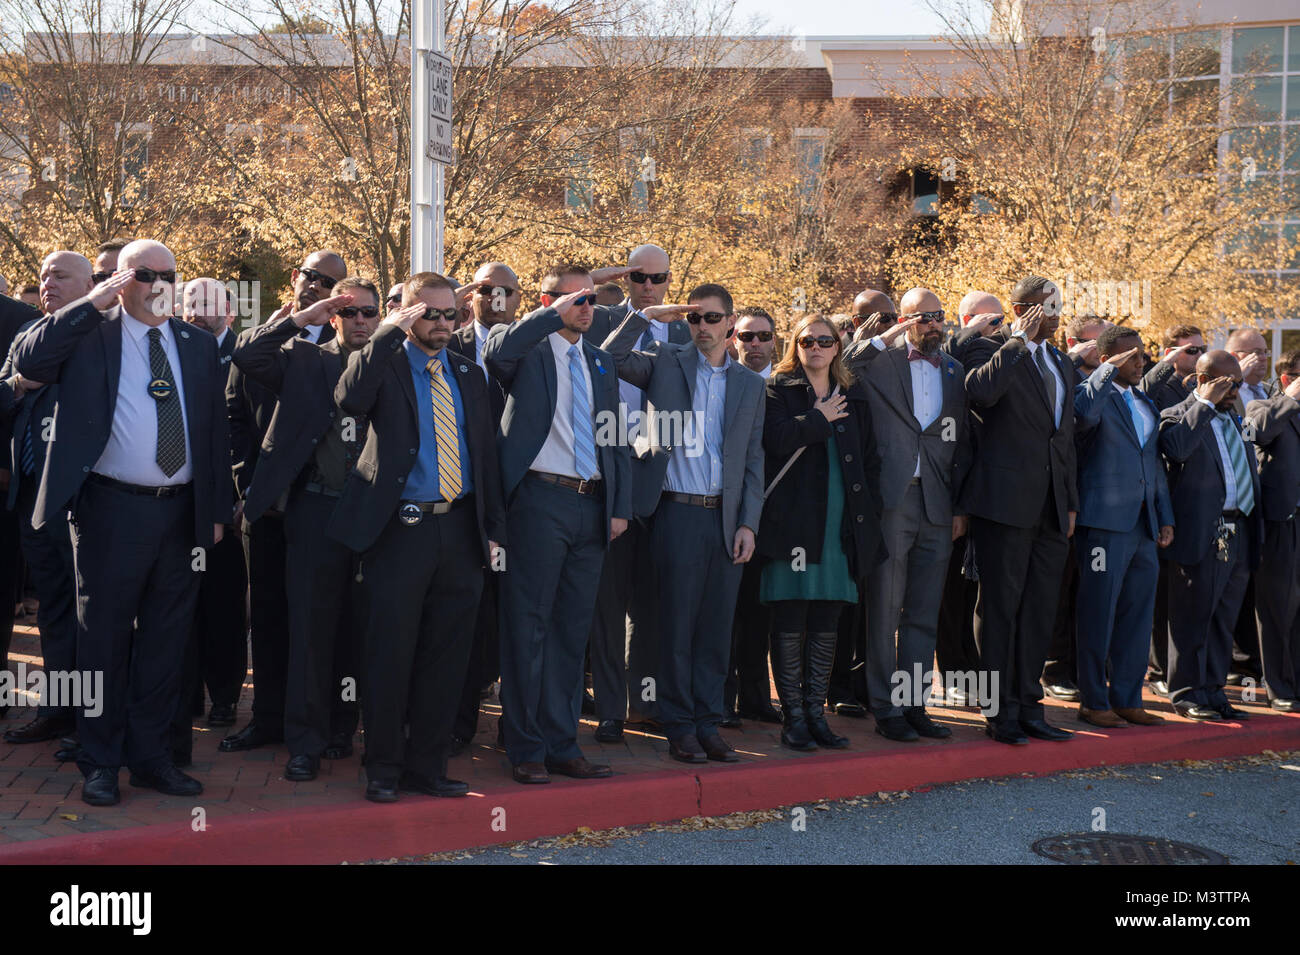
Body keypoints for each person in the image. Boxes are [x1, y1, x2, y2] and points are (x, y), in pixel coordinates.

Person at [15, 239, 230, 806]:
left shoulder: (196, 344)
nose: (158, 285)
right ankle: (100, 761)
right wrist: (91, 302)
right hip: (111, 509)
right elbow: (30, 362)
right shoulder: (90, 336)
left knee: (166, 643)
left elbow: (213, 434)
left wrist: (213, 513)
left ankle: (152, 757)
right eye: (144, 274)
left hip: (181, 513)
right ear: (120, 280)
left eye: (169, 275)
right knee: (103, 642)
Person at [331, 272, 505, 801]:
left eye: (450, 314)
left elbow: (486, 456)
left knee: (446, 656)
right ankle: (383, 767)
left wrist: (494, 529)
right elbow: (349, 399)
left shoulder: (469, 374)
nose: (441, 323)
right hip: (399, 531)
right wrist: (386, 332)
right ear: (405, 314)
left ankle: (426, 767)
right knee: (390, 653)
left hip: (459, 527)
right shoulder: (382, 365)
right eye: (428, 313)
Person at [602, 283, 765, 764]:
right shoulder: (665, 359)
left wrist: (749, 524)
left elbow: (754, 460)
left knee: (716, 630)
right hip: (674, 512)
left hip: (726, 519)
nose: (702, 327)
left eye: (712, 319)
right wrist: (643, 316)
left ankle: (708, 722)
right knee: (674, 625)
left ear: (731, 325)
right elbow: (605, 360)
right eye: (694, 319)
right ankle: (678, 725)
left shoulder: (750, 384)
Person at [484, 264, 631, 783]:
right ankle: (524, 747)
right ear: (546, 302)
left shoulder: (599, 360)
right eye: (575, 300)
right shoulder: (524, 348)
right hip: (538, 502)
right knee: (529, 629)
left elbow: (614, 435)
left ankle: (562, 743)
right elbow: (495, 355)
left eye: (592, 300)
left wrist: (619, 506)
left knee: (572, 633)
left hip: (592, 506)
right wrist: (549, 317)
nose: (586, 308)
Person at [233, 277, 383, 780]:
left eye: (369, 311)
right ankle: (305, 741)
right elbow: (248, 356)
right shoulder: (305, 358)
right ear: (334, 317)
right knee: (310, 631)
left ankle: (344, 725)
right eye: (350, 312)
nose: (361, 320)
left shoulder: (393, 362)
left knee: (360, 628)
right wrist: (302, 316)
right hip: (315, 510)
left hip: (373, 514)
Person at [222, 250, 346, 754]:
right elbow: (233, 418)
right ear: (295, 279)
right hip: (268, 504)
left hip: (325, 505)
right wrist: (245, 486)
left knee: (325, 619)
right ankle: (268, 718)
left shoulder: (346, 346)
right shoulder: (260, 340)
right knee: (269, 613)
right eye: (311, 277)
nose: (317, 287)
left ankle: (332, 722)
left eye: (330, 283)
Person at [844, 290, 971, 742]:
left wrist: (959, 507)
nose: (935, 325)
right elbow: (845, 366)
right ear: (904, 320)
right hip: (891, 500)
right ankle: (885, 707)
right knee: (884, 607)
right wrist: (883, 338)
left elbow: (963, 445)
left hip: (938, 504)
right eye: (925, 318)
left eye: (939, 317)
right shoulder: (879, 361)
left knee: (922, 611)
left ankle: (914, 703)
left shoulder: (954, 369)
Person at [961, 276, 1078, 745]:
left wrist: (1069, 503)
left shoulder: (1061, 362)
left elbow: (1064, 439)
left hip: (1052, 507)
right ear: (1023, 309)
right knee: (1001, 609)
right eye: (1047, 308)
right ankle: (998, 710)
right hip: (1004, 504)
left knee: (1038, 610)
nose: (1055, 315)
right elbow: (980, 394)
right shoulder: (986, 349)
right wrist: (1016, 341)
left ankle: (1029, 705)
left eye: (1058, 307)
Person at [759, 313, 884, 749]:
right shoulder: (778, 388)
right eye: (807, 341)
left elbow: (870, 460)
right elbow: (772, 442)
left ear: (837, 347)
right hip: (793, 523)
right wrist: (818, 417)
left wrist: (869, 514)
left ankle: (816, 714)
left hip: (841, 523)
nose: (816, 348)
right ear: (795, 346)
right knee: (791, 615)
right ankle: (792, 718)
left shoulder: (854, 392)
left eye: (825, 341)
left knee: (828, 617)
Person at [584, 245, 689, 741]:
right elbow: (555, 305)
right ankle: (609, 709)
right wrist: (594, 277)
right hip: (607, 473)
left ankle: (644, 704)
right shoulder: (601, 317)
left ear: (671, 279)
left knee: (651, 605)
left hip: (669, 485)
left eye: (658, 277)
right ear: (626, 278)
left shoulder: (688, 330)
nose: (649, 286)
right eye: (639, 277)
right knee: (608, 602)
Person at [1072, 326, 1174, 728]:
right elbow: (1081, 418)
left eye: (1142, 355)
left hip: (1143, 526)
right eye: (1130, 356)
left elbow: (1154, 465)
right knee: (1098, 612)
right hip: (1102, 525)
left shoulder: (1143, 401)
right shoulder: (1091, 393)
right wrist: (1101, 374)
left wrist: (1164, 515)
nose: (1140, 361)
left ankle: (1128, 698)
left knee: (1136, 616)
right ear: (1107, 357)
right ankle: (1093, 700)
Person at [1, 253, 81, 741]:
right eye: (43, 275)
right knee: (52, 605)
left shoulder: (105, 339)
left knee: (89, 611)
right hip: (29, 496)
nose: (47, 283)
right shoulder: (26, 338)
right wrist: (13, 387)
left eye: (60, 276)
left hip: (84, 499)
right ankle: (56, 710)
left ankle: (88, 717)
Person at [1158, 350, 1261, 721]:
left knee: (1222, 619)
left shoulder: (1236, 418)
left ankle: (1214, 690)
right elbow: (1176, 449)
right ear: (1203, 380)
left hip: (1240, 529)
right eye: (1227, 383)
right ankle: (1187, 693)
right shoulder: (1177, 415)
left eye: (1238, 383)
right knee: (1191, 618)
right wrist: (1203, 403)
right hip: (1201, 532)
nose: (1235, 389)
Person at [173, 279, 248, 757]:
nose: (197, 314)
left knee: (223, 604)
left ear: (230, 312)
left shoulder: (245, 354)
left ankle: (224, 696)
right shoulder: (171, 351)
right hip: (180, 501)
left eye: (207, 305)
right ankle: (187, 697)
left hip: (230, 501)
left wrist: (242, 494)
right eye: (189, 305)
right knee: (182, 605)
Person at [447, 262, 519, 751]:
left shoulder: (540, 345)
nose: (496, 298)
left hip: (524, 502)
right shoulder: (447, 345)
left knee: (514, 618)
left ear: (521, 299)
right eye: (486, 289)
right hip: (462, 506)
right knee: (463, 619)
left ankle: (517, 726)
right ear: (469, 296)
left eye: (506, 291)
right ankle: (457, 725)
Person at [1140, 324, 1205, 695]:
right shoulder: (1159, 386)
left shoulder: (1207, 386)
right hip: (1163, 499)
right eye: (1190, 351)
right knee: (1162, 592)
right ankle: (1160, 669)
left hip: (1196, 500)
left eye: (1202, 350)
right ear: (1169, 353)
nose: (1197, 357)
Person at [724, 305, 780, 725]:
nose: (754, 344)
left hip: (774, 517)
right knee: (726, 613)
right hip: (727, 513)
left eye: (762, 336)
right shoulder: (722, 381)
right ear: (733, 338)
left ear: (775, 339)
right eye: (746, 337)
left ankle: (757, 699)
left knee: (760, 614)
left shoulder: (786, 385)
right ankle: (722, 701)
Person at [1243, 352, 1300, 711]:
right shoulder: (1263, 406)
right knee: (1279, 607)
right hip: (1281, 522)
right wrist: (1292, 399)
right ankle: (1277, 686)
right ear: (1285, 378)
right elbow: (1257, 433)